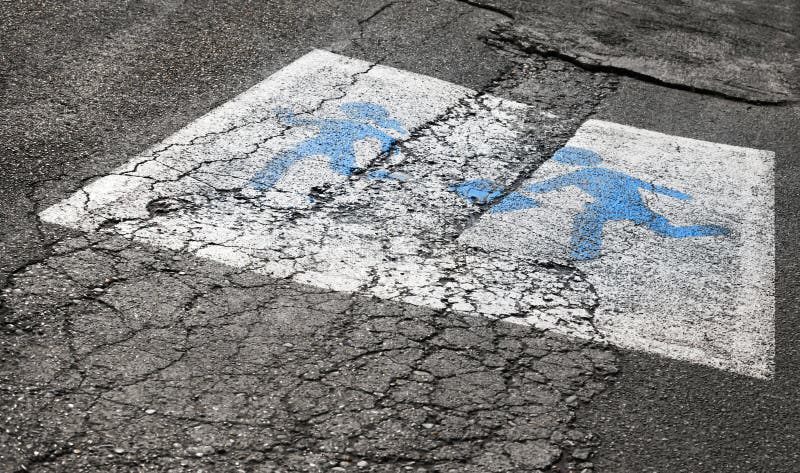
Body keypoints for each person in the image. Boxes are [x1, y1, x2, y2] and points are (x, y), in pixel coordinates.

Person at [492, 146, 729, 260]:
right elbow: (650, 186)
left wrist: (517, 188)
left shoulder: (580, 175)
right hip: (634, 207)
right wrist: (680, 196)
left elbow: (546, 186)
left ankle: (586, 252)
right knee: (669, 231)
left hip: (618, 206)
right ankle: (710, 229)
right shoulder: (606, 173)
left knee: (587, 218)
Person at [249, 102, 407, 190]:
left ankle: (258, 185)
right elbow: (387, 140)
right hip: (328, 145)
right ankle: (257, 185)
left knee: (288, 157)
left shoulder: (357, 126)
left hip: (329, 146)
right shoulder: (353, 125)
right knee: (287, 157)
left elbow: (386, 140)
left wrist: (388, 152)